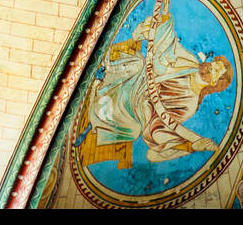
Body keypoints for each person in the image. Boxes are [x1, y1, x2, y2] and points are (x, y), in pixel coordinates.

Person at [80, 10, 231, 164]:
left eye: (217, 70)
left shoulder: (190, 104)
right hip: (141, 81)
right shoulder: (191, 62)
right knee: (138, 64)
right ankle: (103, 72)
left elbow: (162, 124)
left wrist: (189, 142)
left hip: (142, 110)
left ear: (214, 83)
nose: (212, 66)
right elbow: (172, 45)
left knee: (133, 131)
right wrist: (165, 15)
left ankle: (96, 114)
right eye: (214, 63)